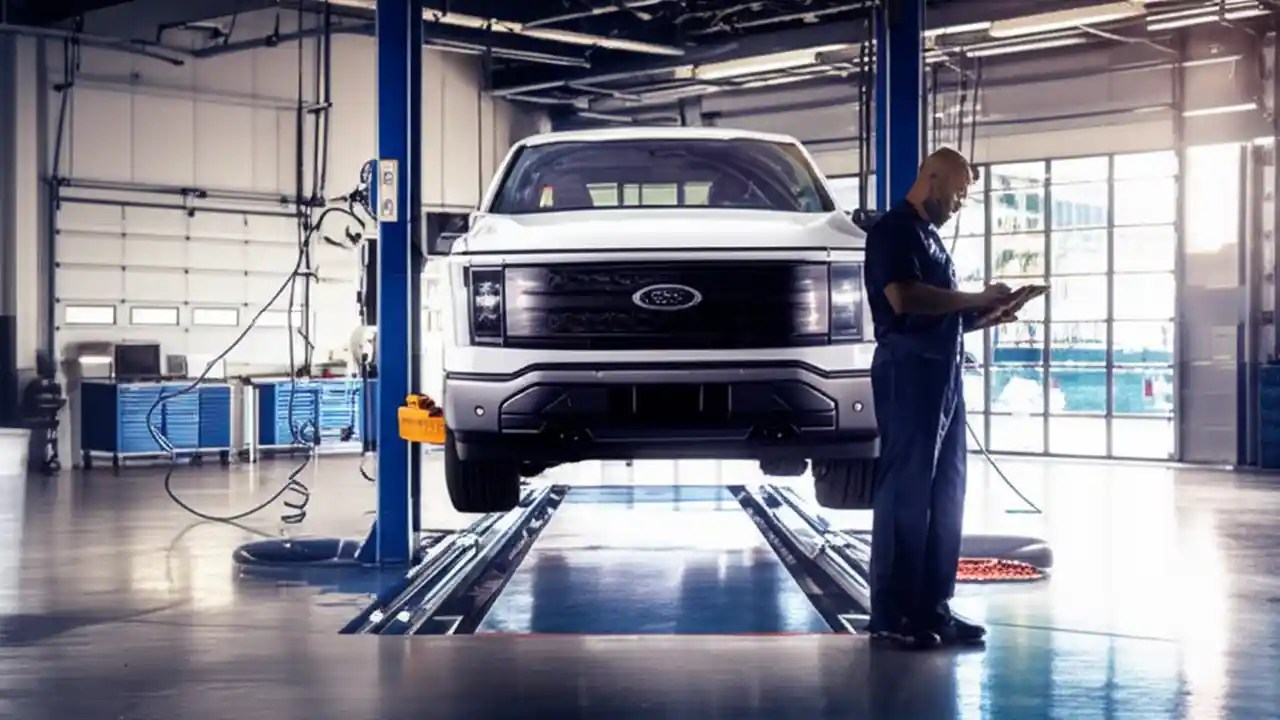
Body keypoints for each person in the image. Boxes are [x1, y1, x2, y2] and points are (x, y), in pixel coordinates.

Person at [862, 147, 1016, 649]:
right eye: (958, 192)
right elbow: (904, 299)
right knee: (905, 494)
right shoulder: (893, 231)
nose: (960, 203)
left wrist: (985, 313)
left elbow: (940, 311)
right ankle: (891, 615)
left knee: (945, 494)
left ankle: (932, 608)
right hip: (907, 373)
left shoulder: (930, 237)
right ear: (931, 178)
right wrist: (973, 297)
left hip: (943, 375)